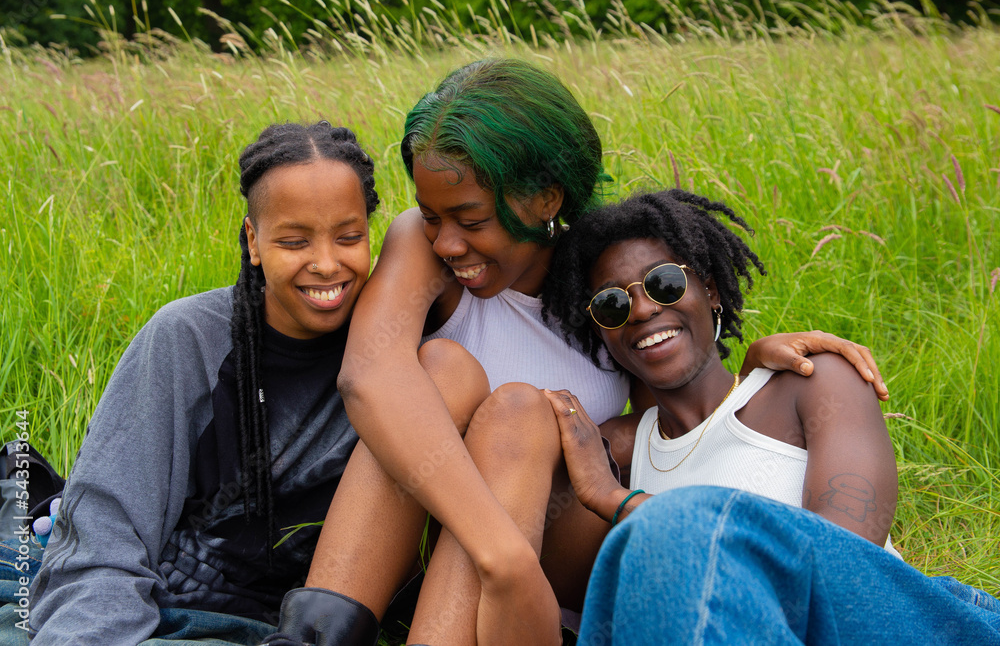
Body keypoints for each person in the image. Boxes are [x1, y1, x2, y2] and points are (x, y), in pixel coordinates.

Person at [275, 59, 890, 646]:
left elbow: (674, 428)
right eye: (434, 216)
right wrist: (500, 550)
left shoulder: (605, 284)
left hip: (554, 552)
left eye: (469, 217)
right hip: (475, 546)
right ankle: (312, 636)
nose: (449, 241)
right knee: (444, 368)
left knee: (520, 410)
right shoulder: (426, 245)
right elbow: (370, 376)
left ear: (545, 198)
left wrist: (749, 369)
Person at [3, 122, 486, 645]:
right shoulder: (187, 339)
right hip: (171, 609)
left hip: (310, 628)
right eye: (295, 240)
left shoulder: (396, 359)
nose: (327, 264)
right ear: (254, 240)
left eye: (349, 237)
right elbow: (105, 539)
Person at [539, 188, 1000, 644]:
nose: (641, 309)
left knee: (675, 527)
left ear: (711, 290)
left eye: (665, 283)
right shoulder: (615, 449)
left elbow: (845, 568)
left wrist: (616, 501)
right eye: (612, 305)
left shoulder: (811, 382)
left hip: (894, 628)